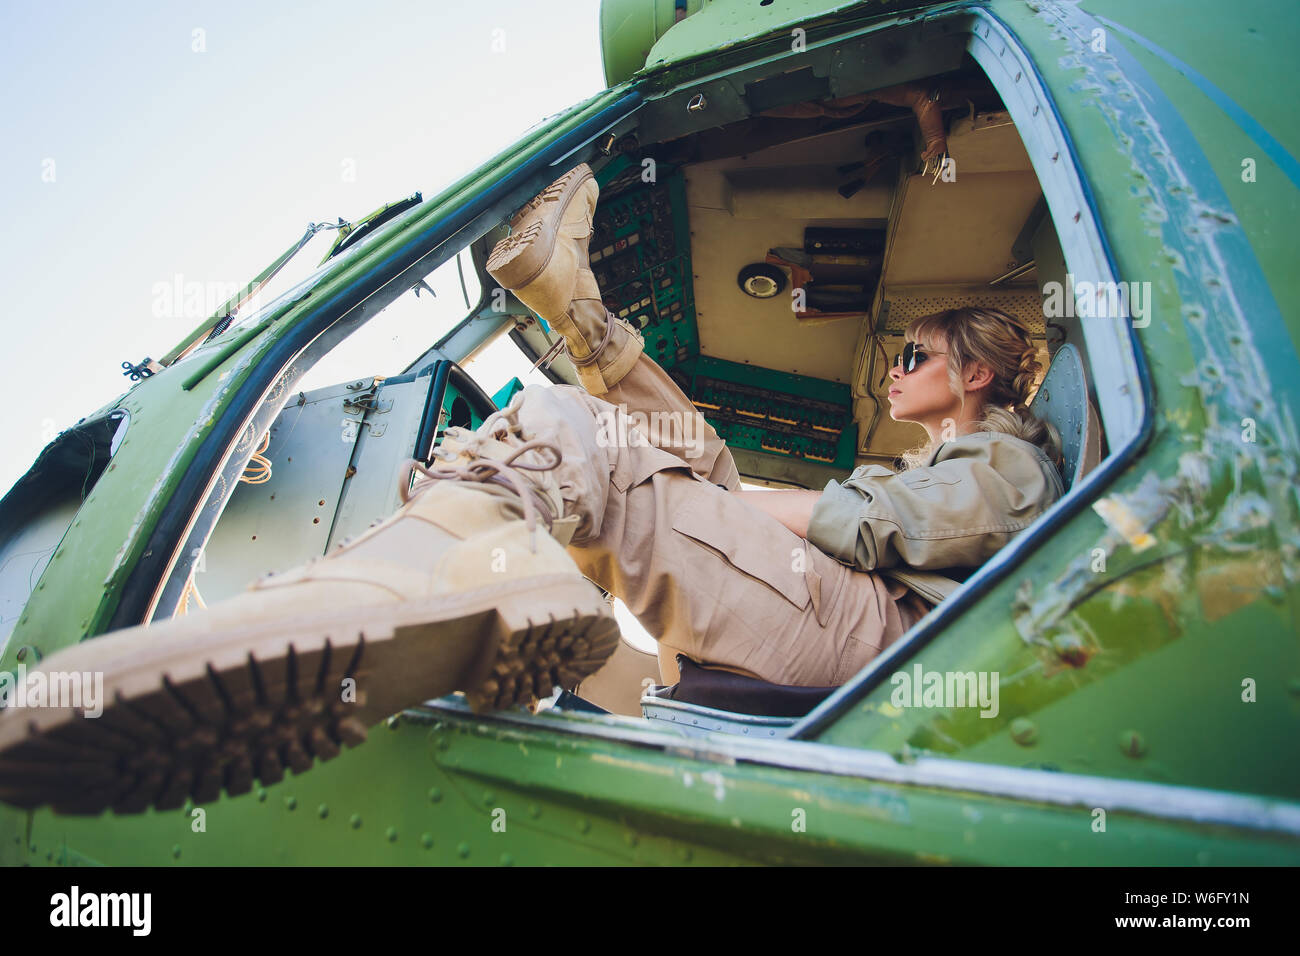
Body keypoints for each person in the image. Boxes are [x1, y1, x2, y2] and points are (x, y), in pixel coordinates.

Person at [0, 164, 1064, 814]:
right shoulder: (956, 454)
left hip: (884, 645)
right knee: (691, 460)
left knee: (575, 429)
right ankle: (573, 319)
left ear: (973, 371)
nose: (894, 369)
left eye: (916, 355)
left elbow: (866, 525)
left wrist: (721, 499)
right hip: (864, 631)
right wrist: (709, 490)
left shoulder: (1008, 455)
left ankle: (431, 566)